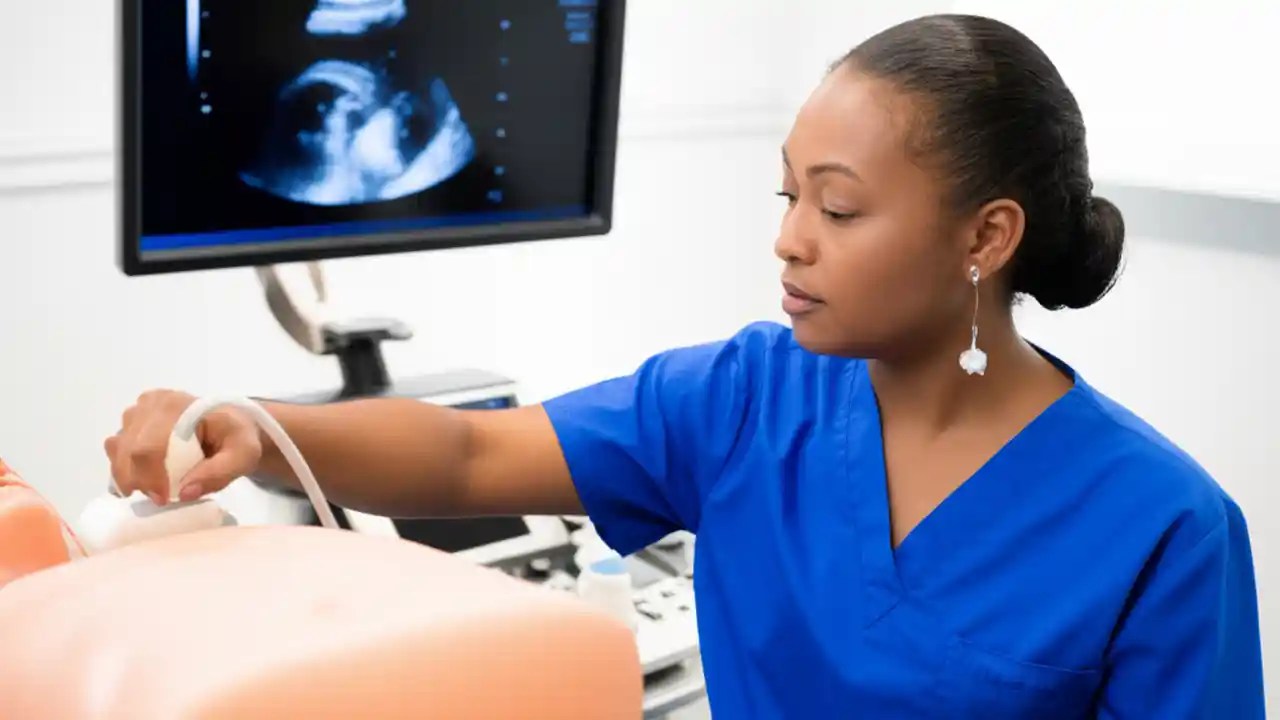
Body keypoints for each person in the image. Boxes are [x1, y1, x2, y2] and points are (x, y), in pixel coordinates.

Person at [106, 14, 1264, 719]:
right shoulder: (745, 400)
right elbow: (467, 454)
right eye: (787, 193)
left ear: (985, 238)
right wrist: (258, 425)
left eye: (839, 207)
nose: (789, 237)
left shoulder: (1162, 530)